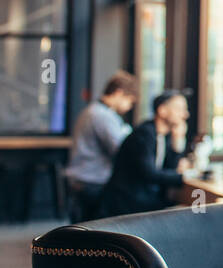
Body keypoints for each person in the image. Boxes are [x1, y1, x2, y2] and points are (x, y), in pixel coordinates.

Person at [98, 90, 191, 217]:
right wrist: (184, 177)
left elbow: (171, 168)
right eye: (180, 109)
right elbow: (149, 174)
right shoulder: (144, 134)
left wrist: (178, 139)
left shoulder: (164, 136)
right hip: (127, 205)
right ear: (162, 110)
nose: (185, 114)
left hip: (145, 201)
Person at [65, 70, 138, 221]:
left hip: (82, 178)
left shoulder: (92, 110)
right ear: (119, 93)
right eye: (130, 101)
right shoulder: (102, 115)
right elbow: (120, 149)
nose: (129, 107)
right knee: (94, 231)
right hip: (92, 181)